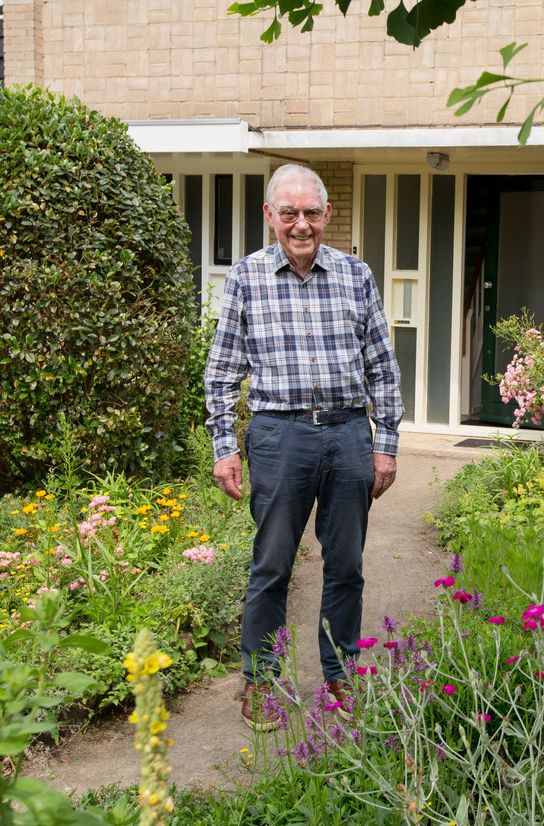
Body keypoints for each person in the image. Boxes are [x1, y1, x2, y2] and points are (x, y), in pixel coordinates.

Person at [203, 163, 404, 730]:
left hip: (347, 434)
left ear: (326, 215)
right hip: (278, 436)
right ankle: (260, 680)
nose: (301, 225)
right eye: (289, 213)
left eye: (311, 213)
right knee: (271, 565)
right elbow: (221, 373)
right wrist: (224, 447)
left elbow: (382, 367)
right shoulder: (246, 277)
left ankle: (340, 672)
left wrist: (385, 443)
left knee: (346, 565)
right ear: (270, 215)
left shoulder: (356, 275)